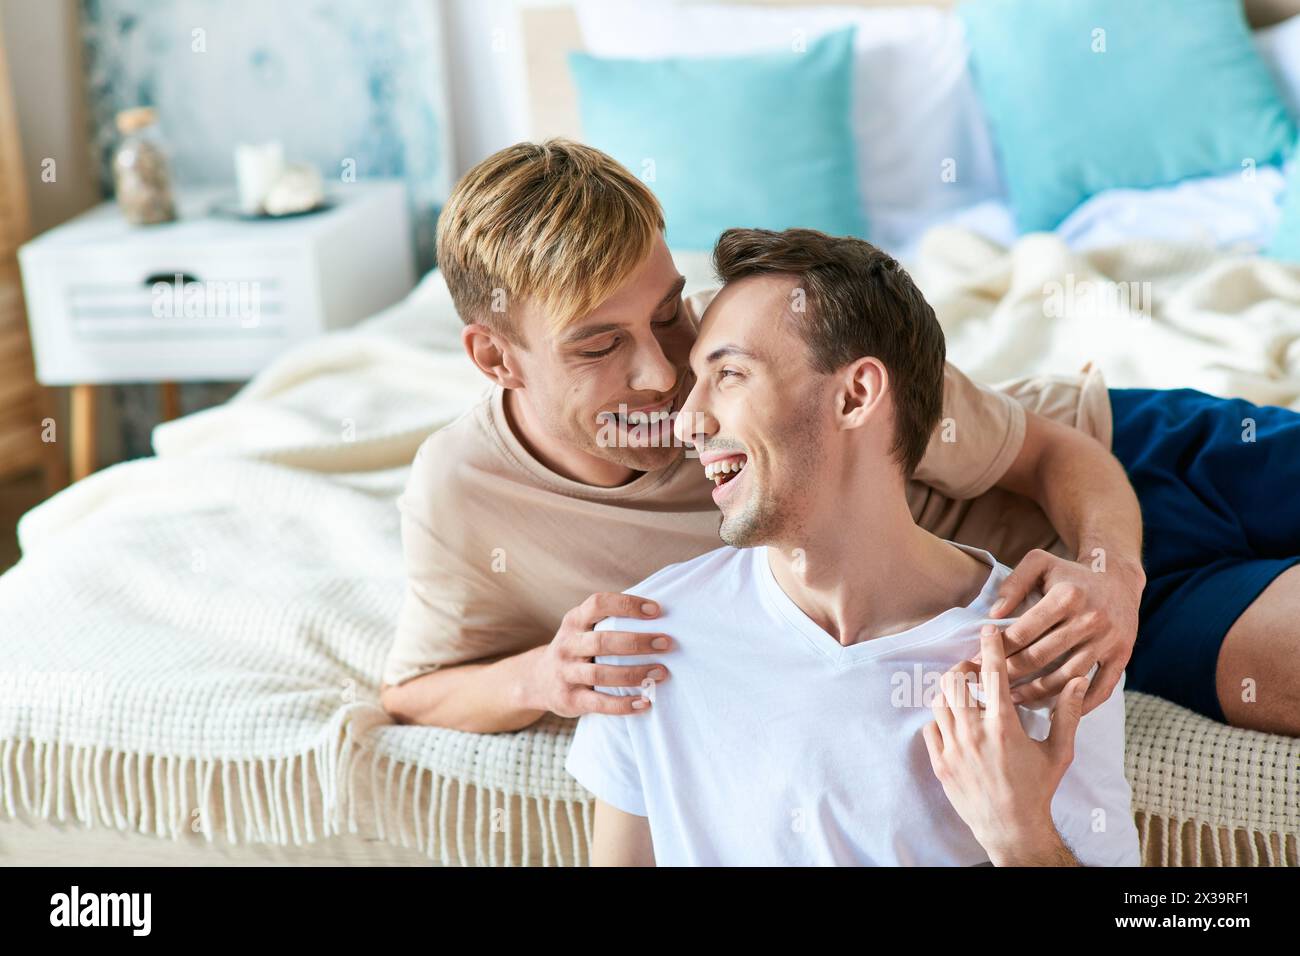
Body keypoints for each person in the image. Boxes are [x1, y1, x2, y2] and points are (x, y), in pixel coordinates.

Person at [379, 140, 1150, 738]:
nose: (664, 374)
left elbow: (1051, 452)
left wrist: (1111, 574)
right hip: (1043, 611)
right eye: (598, 346)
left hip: (1129, 468)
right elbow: (416, 689)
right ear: (494, 357)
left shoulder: (760, 345)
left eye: (668, 312)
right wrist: (543, 679)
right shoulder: (464, 491)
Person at [562, 227, 1140, 866]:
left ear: (856, 394)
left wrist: (1021, 838)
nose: (688, 419)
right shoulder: (643, 640)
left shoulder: (1044, 649)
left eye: (728, 374)